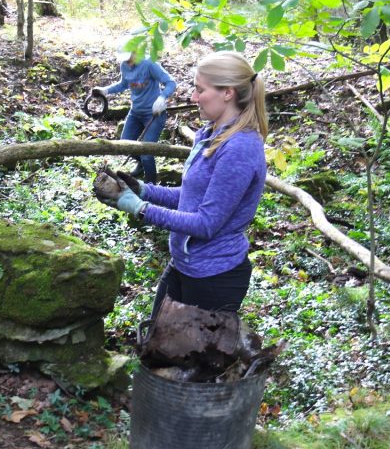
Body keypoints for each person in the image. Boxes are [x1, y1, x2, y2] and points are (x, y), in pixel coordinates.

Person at [95, 51, 268, 314]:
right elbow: (192, 196)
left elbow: (206, 223)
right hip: (184, 264)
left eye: (200, 90)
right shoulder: (210, 134)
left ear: (228, 93)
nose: (193, 97)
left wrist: (140, 208)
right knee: (156, 345)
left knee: (190, 355)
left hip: (214, 277)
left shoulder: (239, 148)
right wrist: (142, 190)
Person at [90, 39, 176, 183]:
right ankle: (142, 165)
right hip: (135, 112)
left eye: (129, 58)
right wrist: (106, 90)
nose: (128, 62)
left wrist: (162, 98)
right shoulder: (124, 65)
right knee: (125, 145)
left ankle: (151, 186)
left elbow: (171, 82)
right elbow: (124, 84)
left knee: (147, 153)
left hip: (154, 113)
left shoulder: (149, 63)